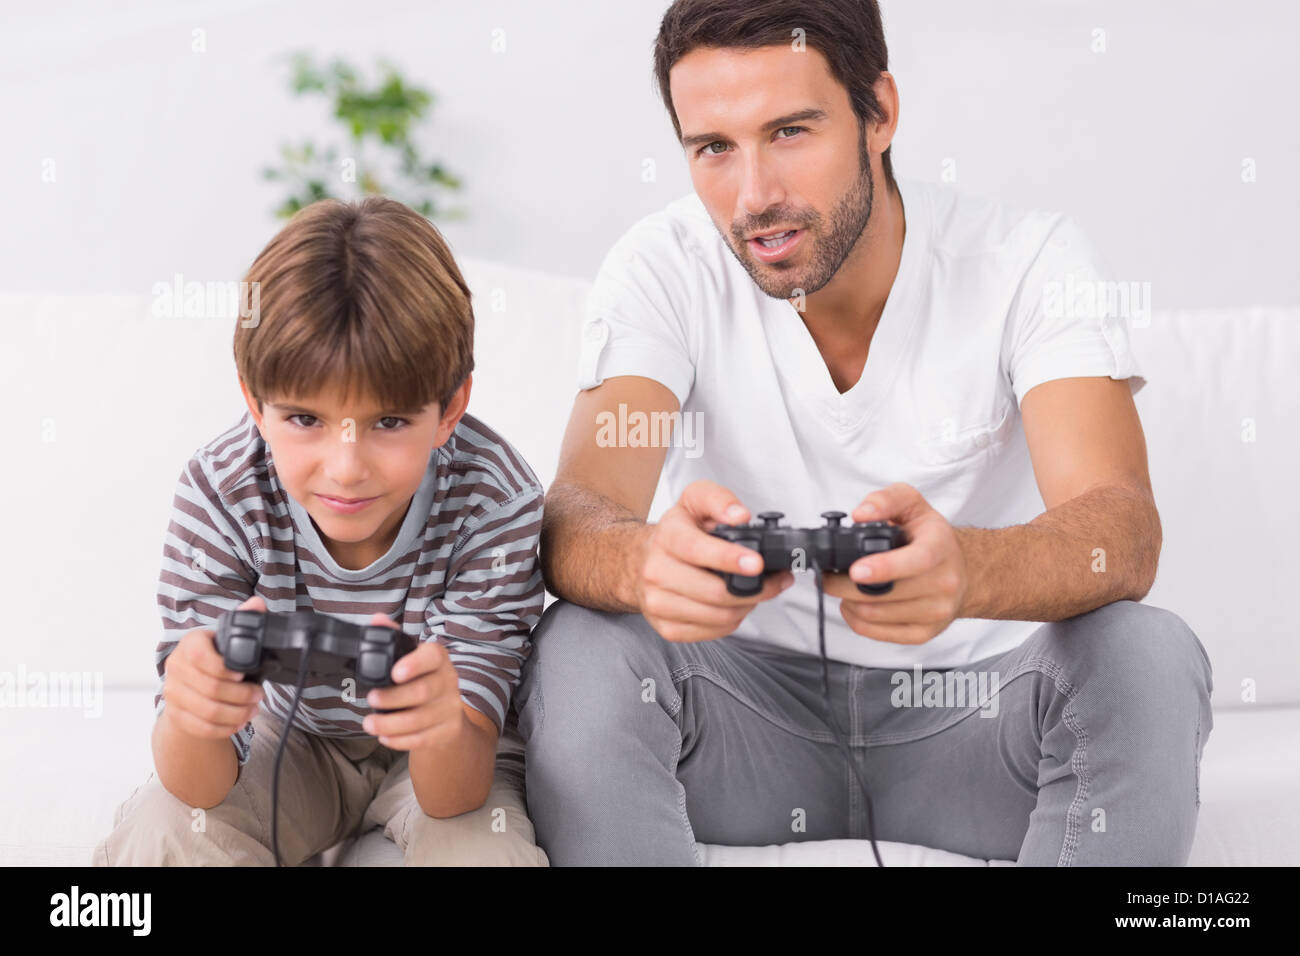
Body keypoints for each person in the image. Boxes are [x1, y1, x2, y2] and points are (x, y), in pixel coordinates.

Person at [517, 0, 1213, 866]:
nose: (754, 195)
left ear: (878, 112)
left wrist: (969, 568)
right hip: (739, 728)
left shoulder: (1032, 264)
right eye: (714, 149)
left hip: (979, 723)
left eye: (791, 131)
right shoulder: (662, 267)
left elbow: (1123, 530)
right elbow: (578, 513)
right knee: (582, 643)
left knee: (1146, 651)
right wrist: (645, 561)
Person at [94, 196, 548, 866]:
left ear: (450, 408)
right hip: (294, 734)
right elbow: (197, 785)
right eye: (305, 420)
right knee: (164, 829)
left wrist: (440, 722)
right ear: (255, 402)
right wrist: (193, 717)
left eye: (389, 422)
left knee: (483, 852)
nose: (346, 468)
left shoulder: (495, 498)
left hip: (447, 751)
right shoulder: (221, 491)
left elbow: (457, 792)